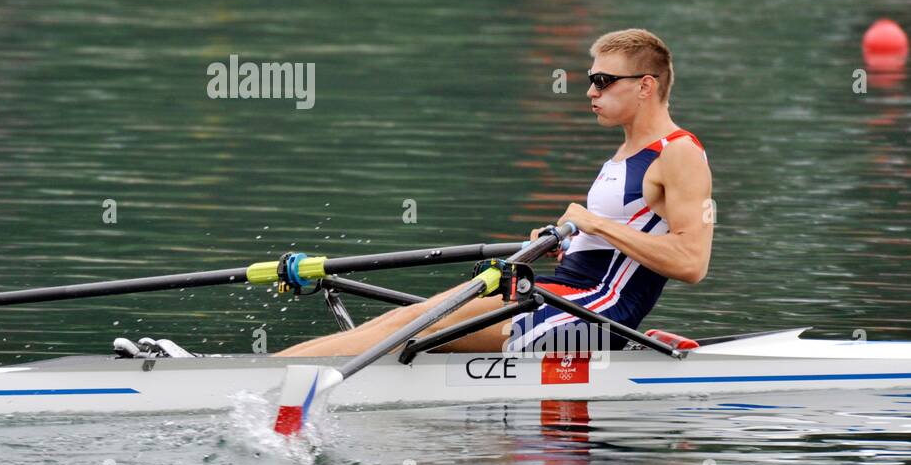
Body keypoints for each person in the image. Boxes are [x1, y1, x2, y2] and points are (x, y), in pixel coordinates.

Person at [276, 29, 713, 356]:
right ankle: (268, 372)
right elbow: (616, 240)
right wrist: (571, 239)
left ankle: (260, 386)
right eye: (590, 79)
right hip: (565, 294)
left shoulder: (679, 154)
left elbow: (691, 263)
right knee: (405, 317)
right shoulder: (625, 152)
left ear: (645, 85)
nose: (590, 91)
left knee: (413, 330)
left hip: (598, 313)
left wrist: (592, 223)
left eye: (602, 80)